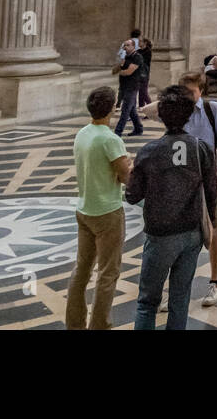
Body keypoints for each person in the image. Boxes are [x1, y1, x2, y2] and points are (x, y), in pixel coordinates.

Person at [126, 84, 217, 330]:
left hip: (161, 234)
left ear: (162, 117)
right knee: (180, 299)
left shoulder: (149, 152)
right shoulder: (201, 148)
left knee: (147, 302)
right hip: (191, 233)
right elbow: (211, 191)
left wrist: (132, 172)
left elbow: (132, 196)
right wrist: (214, 221)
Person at [140, 71, 217, 308]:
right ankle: (174, 291)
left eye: (192, 92)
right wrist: (172, 98)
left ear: (201, 90)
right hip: (178, 182)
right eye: (184, 93)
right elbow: (146, 111)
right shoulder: (175, 111)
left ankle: (215, 283)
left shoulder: (213, 110)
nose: (188, 97)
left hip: (207, 179)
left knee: (213, 225)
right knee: (177, 233)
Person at [65, 86, 131, 330]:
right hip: (107, 211)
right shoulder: (110, 139)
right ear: (113, 108)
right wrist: (131, 165)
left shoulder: (83, 133)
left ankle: (74, 323)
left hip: (84, 208)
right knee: (107, 273)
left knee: (82, 269)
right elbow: (125, 176)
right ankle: (99, 325)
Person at [112, 38, 146, 136]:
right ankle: (138, 129)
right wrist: (120, 63)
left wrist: (121, 71)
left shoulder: (137, 57)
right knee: (132, 111)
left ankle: (118, 132)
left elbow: (128, 72)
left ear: (133, 46)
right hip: (123, 86)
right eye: (124, 45)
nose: (125, 47)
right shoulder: (126, 57)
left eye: (127, 45)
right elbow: (114, 71)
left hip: (132, 86)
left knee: (125, 109)